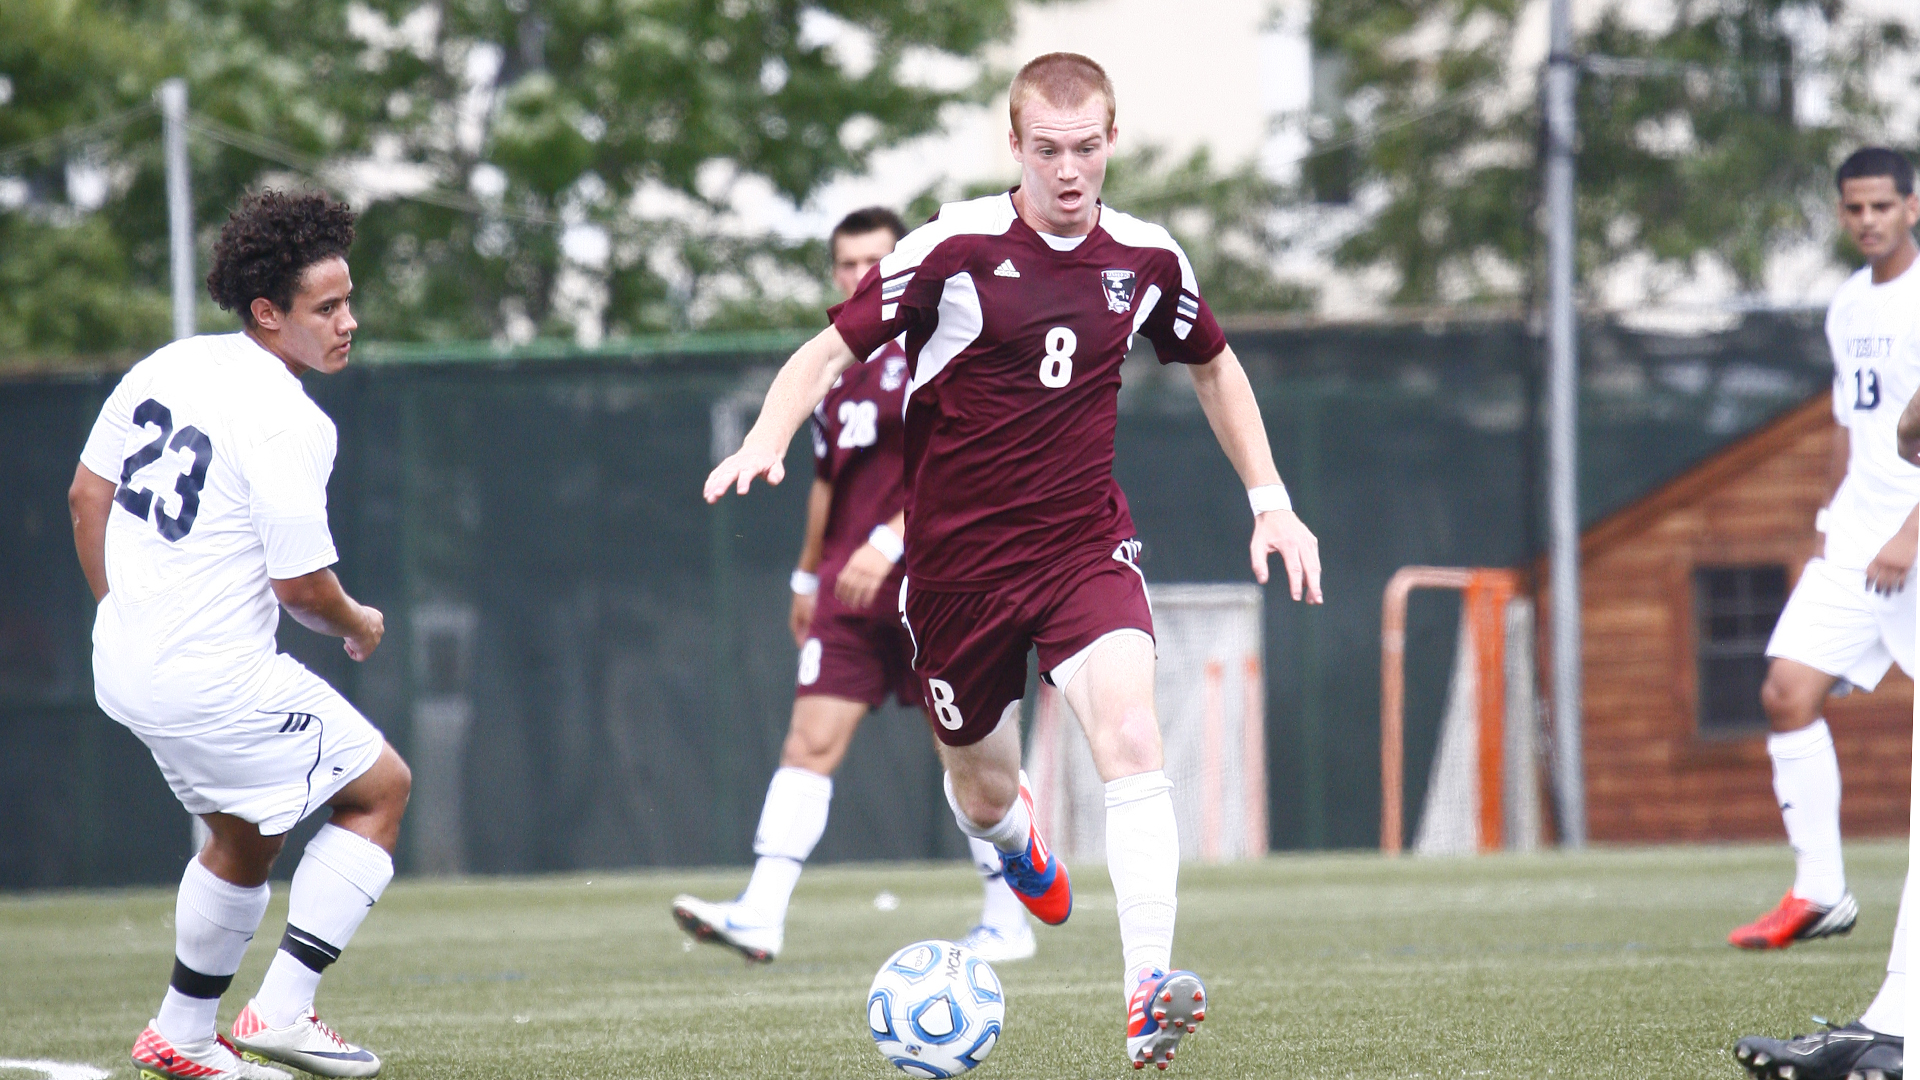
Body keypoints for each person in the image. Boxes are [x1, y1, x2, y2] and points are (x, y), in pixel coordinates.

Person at [705, 52, 1321, 1070]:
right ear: (1014, 146)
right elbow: (825, 354)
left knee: (1130, 731)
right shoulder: (952, 248)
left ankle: (1144, 989)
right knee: (985, 792)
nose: (1070, 172)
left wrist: (1272, 503)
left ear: (1112, 141)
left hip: (1085, 548)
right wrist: (771, 436)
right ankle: (1011, 846)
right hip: (956, 578)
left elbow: (1212, 363)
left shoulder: (1149, 257)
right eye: (1048, 151)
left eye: (1088, 149)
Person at [69, 190, 409, 1080]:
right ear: (269, 313)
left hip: (126, 664)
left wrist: (120, 610)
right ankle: (283, 1012)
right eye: (325, 309)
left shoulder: (169, 363)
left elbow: (85, 500)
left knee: (247, 837)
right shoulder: (291, 419)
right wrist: (359, 623)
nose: (349, 322)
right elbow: (299, 586)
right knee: (380, 792)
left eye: (347, 301)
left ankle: (181, 1036)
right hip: (212, 677)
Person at [671, 208, 1036, 965]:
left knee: (969, 757)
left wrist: (889, 539)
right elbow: (828, 483)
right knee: (809, 741)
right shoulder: (834, 370)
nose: (861, 275)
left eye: (876, 259)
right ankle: (762, 914)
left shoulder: (950, 347)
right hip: (847, 593)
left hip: (942, 584)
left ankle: (1008, 920)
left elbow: (967, 466)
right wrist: (809, 572)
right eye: (846, 264)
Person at [1731, 148, 1920, 1080]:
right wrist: (1835, 522)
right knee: (1784, 688)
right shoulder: (1848, 304)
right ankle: (1822, 892)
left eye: (1883, 204)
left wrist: (1911, 533)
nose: (1869, 221)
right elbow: (1858, 429)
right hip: (1854, 542)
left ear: (1913, 205)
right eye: (1854, 207)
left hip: (1914, 545)